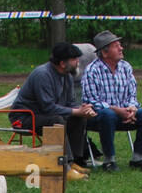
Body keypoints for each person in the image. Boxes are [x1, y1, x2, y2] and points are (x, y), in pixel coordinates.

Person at [12, 42, 96, 181]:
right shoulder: (42, 75)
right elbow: (48, 107)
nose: (78, 62)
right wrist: (76, 111)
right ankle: (65, 167)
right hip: (24, 118)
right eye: (74, 59)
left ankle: (72, 161)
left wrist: (83, 110)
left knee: (78, 118)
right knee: (57, 121)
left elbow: (70, 104)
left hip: (47, 115)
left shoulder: (67, 76)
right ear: (63, 63)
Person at [81, 32, 142, 172]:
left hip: (125, 114)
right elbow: (91, 102)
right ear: (104, 52)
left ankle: (138, 158)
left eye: (120, 45)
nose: (121, 48)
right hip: (98, 117)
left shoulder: (126, 67)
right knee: (107, 115)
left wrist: (132, 108)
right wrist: (117, 110)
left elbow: (132, 94)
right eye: (116, 46)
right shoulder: (92, 71)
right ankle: (109, 160)